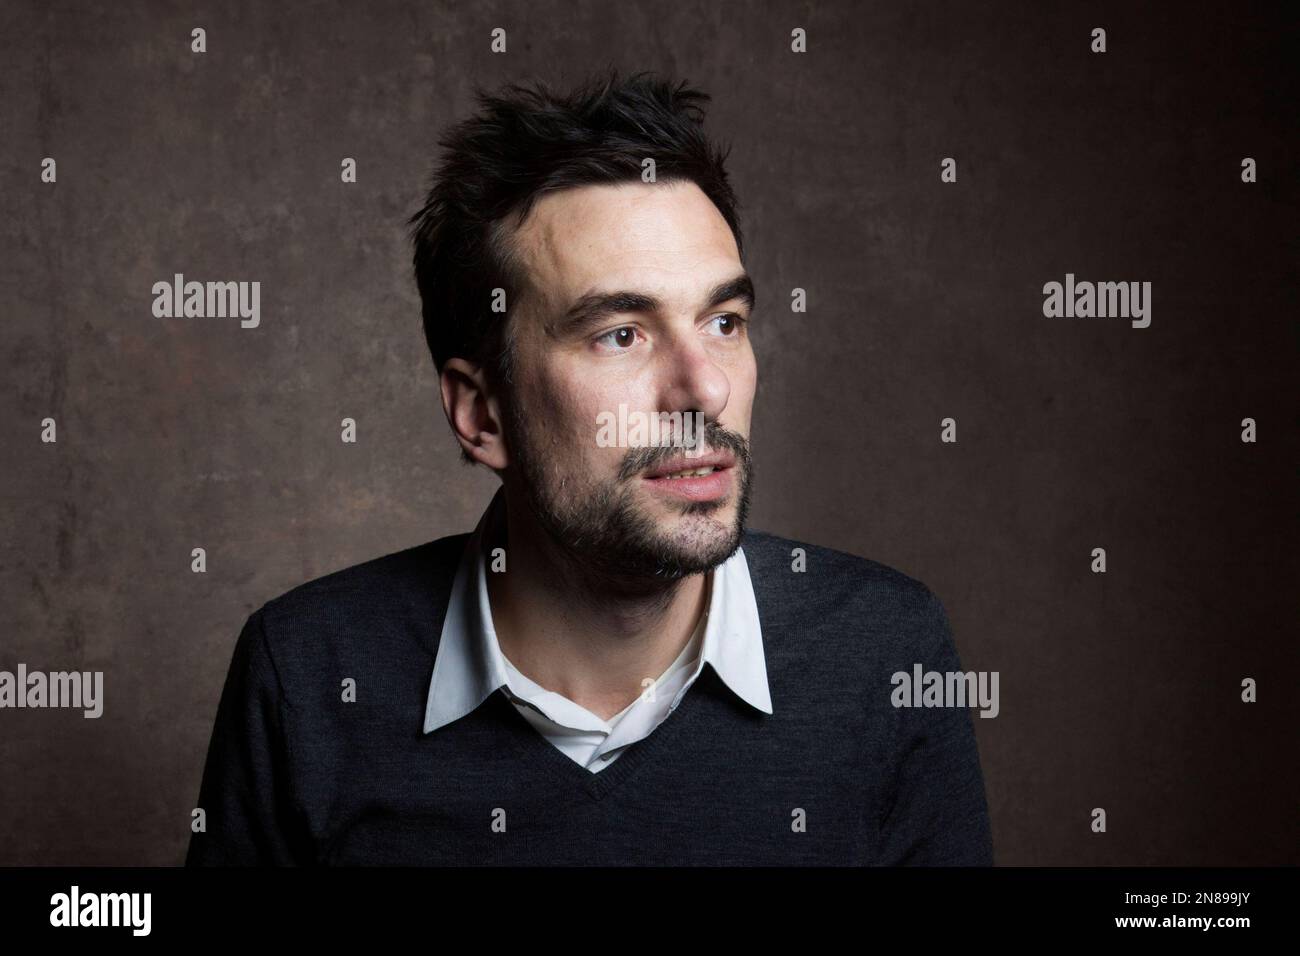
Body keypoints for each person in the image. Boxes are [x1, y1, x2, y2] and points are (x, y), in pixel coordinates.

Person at [186, 68, 993, 866]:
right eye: (621, 334)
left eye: (722, 320)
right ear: (482, 413)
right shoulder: (307, 677)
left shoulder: (886, 653)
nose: (705, 388)